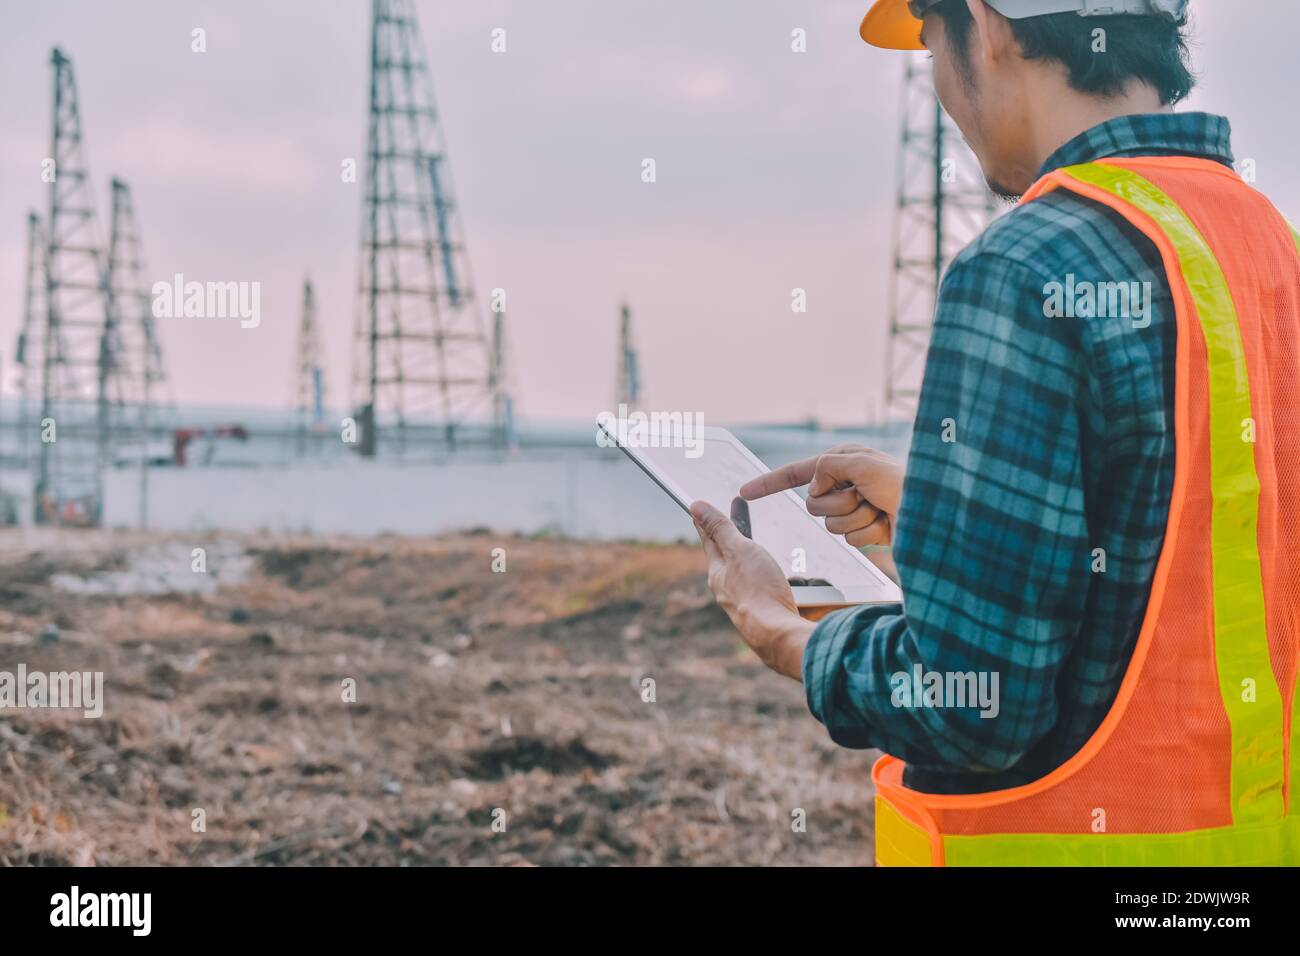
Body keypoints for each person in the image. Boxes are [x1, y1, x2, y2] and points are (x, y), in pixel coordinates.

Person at [691, 0, 1300, 865]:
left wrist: (784, 630)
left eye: (933, 46)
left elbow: (973, 705)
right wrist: (957, 538)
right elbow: (1202, 554)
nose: (942, 84)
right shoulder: (1272, 245)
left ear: (987, 25)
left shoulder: (1027, 265)